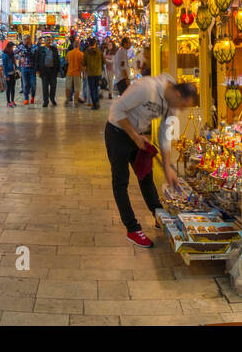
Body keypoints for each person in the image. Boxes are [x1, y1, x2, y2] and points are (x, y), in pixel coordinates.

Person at [106, 75, 199, 248]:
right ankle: (132, 229)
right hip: (118, 131)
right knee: (120, 181)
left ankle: (158, 214)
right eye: (183, 106)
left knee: (146, 175)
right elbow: (116, 109)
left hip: (138, 135)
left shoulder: (172, 104)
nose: (181, 110)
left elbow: (165, 134)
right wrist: (134, 136)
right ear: (178, 95)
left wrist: (167, 167)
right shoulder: (146, 88)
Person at [36, 35, 61, 107]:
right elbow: (37, 60)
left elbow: (57, 60)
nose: (49, 42)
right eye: (47, 40)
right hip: (44, 71)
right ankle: (45, 101)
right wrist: (37, 70)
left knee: (53, 85)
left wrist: (58, 70)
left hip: (53, 70)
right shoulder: (40, 49)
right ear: (45, 41)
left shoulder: (54, 49)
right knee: (45, 87)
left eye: (50, 40)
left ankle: (52, 98)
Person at [84, 39, 105, 110]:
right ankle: (97, 101)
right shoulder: (99, 51)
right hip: (98, 73)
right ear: (95, 44)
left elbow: (84, 63)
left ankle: (94, 104)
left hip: (90, 73)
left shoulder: (87, 52)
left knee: (92, 89)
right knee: (97, 88)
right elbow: (104, 61)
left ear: (89, 44)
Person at [65, 39, 86, 106]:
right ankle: (76, 101)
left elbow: (67, 62)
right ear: (79, 45)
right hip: (77, 73)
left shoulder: (69, 53)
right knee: (77, 88)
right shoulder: (81, 54)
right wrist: (84, 73)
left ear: (73, 45)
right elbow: (83, 65)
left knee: (68, 87)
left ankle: (67, 99)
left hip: (69, 72)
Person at [17, 34, 36, 105]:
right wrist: (19, 57)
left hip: (32, 68)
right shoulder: (21, 47)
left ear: (29, 40)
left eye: (25, 39)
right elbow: (14, 53)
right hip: (24, 68)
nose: (24, 41)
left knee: (33, 84)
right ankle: (26, 98)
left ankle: (33, 97)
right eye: (23, 39)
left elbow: (34, 54)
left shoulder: (34, 47)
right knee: (25, 84)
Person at [1, 41, 18, 107]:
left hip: (13, 73)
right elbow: (4, 66)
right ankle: (8, 102)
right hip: (8, 74)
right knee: (8, 88)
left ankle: (12, 100)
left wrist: (16, 68)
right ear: (9, 47)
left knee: (13, 88)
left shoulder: (12, 53)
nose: (12, 48)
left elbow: (14, 62)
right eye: (12, 47)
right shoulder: (5, 54)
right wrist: (6, 75)